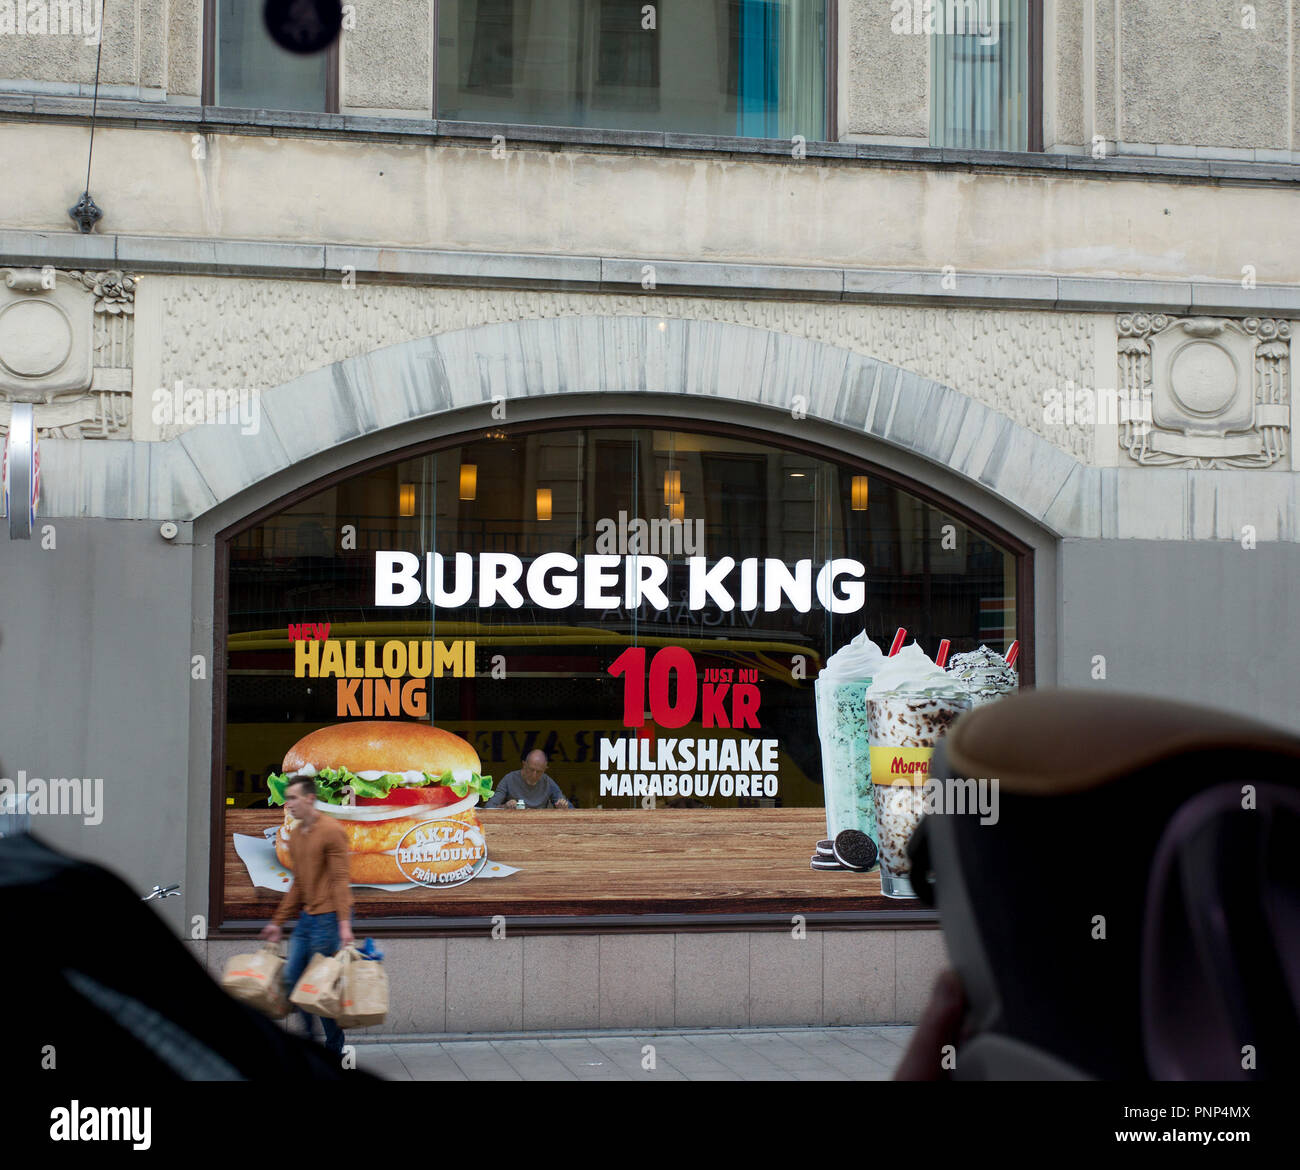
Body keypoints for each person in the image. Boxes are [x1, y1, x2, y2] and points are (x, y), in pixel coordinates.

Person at [260, 775, 354, 1056]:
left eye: (293, 798)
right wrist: (277, 923)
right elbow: (299, 883)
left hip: (328, 918)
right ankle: (312, 1040)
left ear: (310, 799)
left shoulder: (331, 831)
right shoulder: (297, 835)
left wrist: (344, 925)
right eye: (287, 798)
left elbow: (340, 879)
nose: (288, 804)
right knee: (291, 980)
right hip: (306, 918)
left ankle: (334, 1047)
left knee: (318, 988)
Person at [484, 749, 572, 809]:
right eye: (531, 770)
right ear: (524, 764)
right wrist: (505, 807)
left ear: (545, 769)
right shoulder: (509, 779)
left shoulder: (547, 781)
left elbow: (569, 807)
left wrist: (563, 805)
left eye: (539, 772)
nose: (534, 775)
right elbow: (489, 807)